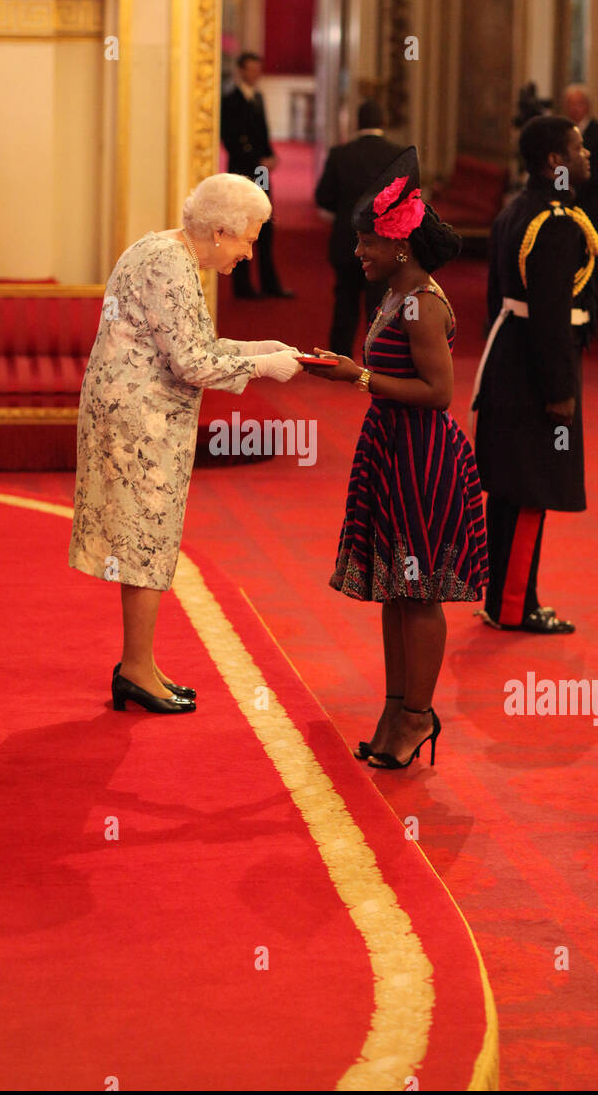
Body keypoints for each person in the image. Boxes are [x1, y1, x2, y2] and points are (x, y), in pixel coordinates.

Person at [68, 173, 302, 713]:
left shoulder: (168, 250)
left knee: (145, 539)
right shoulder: (171, 264)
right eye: (249, 237)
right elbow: (192, 362)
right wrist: (264, 366)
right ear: (220, 231)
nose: (251, 252)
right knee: (147, 540)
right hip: (139, 423)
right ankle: (135, 670)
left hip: (138, 415)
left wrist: (258, 346)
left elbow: (192, 341)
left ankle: (140, 664)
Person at [305, 148, 489, 771]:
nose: (358, 253)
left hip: (421, 455)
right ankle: (395, 708)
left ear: (399, 246)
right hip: (391, 446)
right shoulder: (395, 293)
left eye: (366, 245)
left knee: (420, 590)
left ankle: (417, 715)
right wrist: (350, 375)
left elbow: (440, 395)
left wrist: (358, 378)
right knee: (395, 589)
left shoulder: (423, 305)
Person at [472, 114, 598, 634]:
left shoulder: (516, 211)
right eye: (578, 148)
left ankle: (507, 598)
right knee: (532, 488)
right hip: (536, 368)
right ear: (555, 162)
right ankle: (513, 606)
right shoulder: (556, 223)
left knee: (508, 486)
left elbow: (494, 298)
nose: (586, 155)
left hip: (508, 355)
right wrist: (560, 390)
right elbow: (550, 314)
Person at [314, 100, 403, 355]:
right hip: (383, 244)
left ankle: (338, 355)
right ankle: (377, 357)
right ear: (383, 123)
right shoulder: (397, 154)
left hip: (346, 240)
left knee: (345, 299)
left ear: (357, 123)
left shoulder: (340, 154)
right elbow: (406, 201)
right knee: (380, 304)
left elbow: (323, 197)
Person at [220, 51, 294, 299]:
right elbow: (230, 140)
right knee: (242, 227)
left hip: (261, 171)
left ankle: (269, 283)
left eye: (257, 69)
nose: (255, 74)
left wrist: (270, 156)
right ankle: (243, 287)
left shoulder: (259, 97)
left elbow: (263, 133)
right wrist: (256, 159)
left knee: (265, 224)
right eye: (250, 69)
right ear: (241, 71)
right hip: (242, 171)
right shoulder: (230, 100)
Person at [562, 84, 598, 238]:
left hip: (594, 206)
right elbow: (559, 166)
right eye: (571, 104)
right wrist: (562, 191)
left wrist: (574, 188)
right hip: (567, 207)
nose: (574, 108)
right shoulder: (561, 133)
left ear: (587, 106)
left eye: (578, 103)